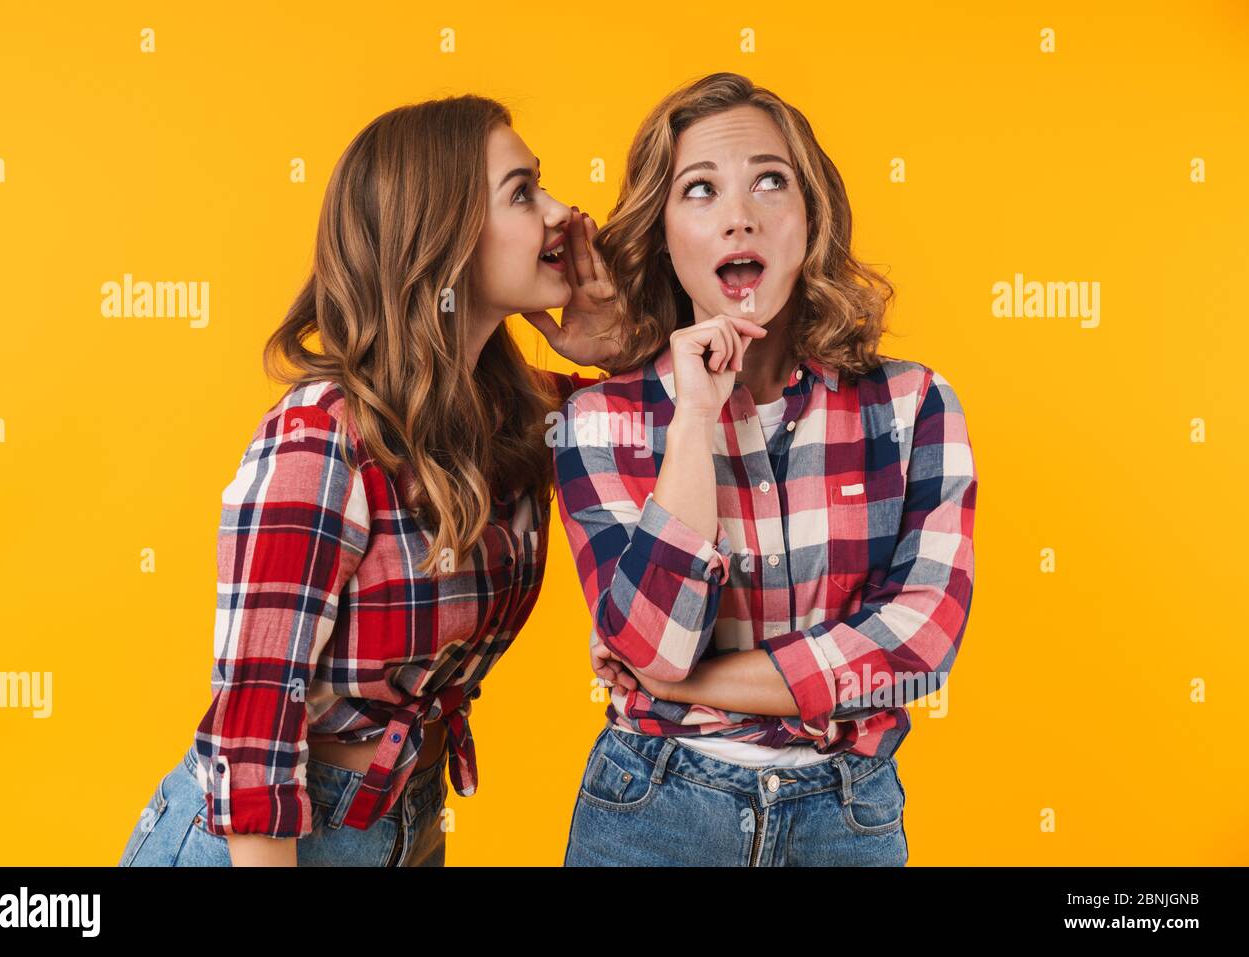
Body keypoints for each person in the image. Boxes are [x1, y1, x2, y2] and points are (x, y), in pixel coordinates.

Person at [117, 94, 618, 867]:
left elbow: (655, 428)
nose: (561, 212)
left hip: (405, 819)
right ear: (441, 235)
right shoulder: (322, 440)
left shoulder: (516, 413)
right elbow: (254, 728)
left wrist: (612, 347)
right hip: (272, 841)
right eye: (523, 192)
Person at [553, 72, 978, 866]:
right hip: (652, 808)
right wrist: (693, 418)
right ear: (663, 232)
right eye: (701, 190)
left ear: (810, 217)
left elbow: (914, 651)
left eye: (770, 182)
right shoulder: (599, 419)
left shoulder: (912, 404)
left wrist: (680, 689)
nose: (738, 216)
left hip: (848, 814)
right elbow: (654, 644)